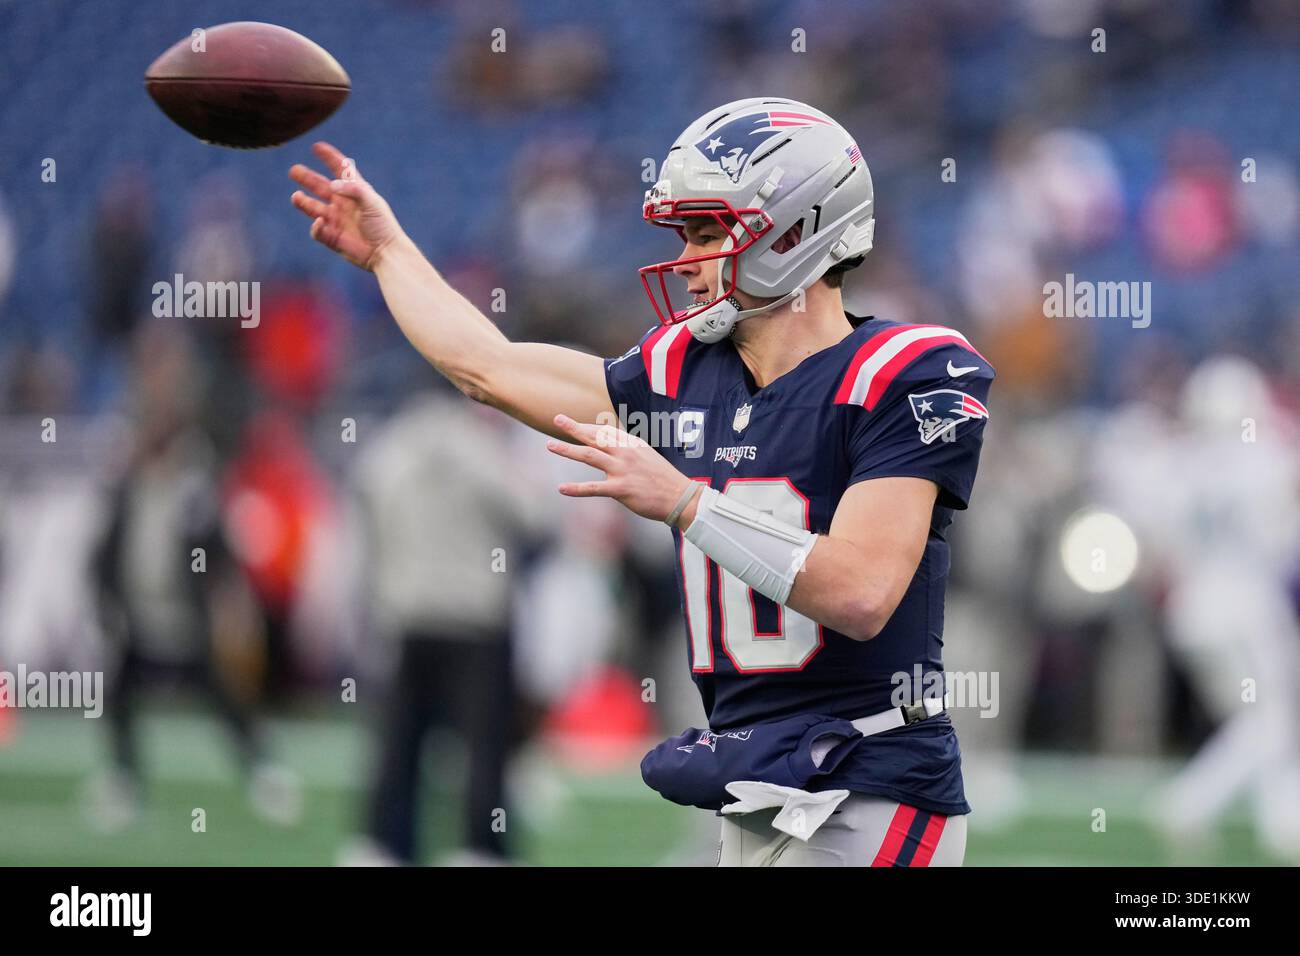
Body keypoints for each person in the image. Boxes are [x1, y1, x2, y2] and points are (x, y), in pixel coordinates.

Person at [289, 97, 995, 867]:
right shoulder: (682, 370)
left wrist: (687, 502)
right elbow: (490, 368)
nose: (686, 261)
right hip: (756, 780)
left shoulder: (906, 371)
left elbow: (860, 593)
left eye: (706, 233)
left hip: (869, 786)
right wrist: (389, 251)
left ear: (797, 230)